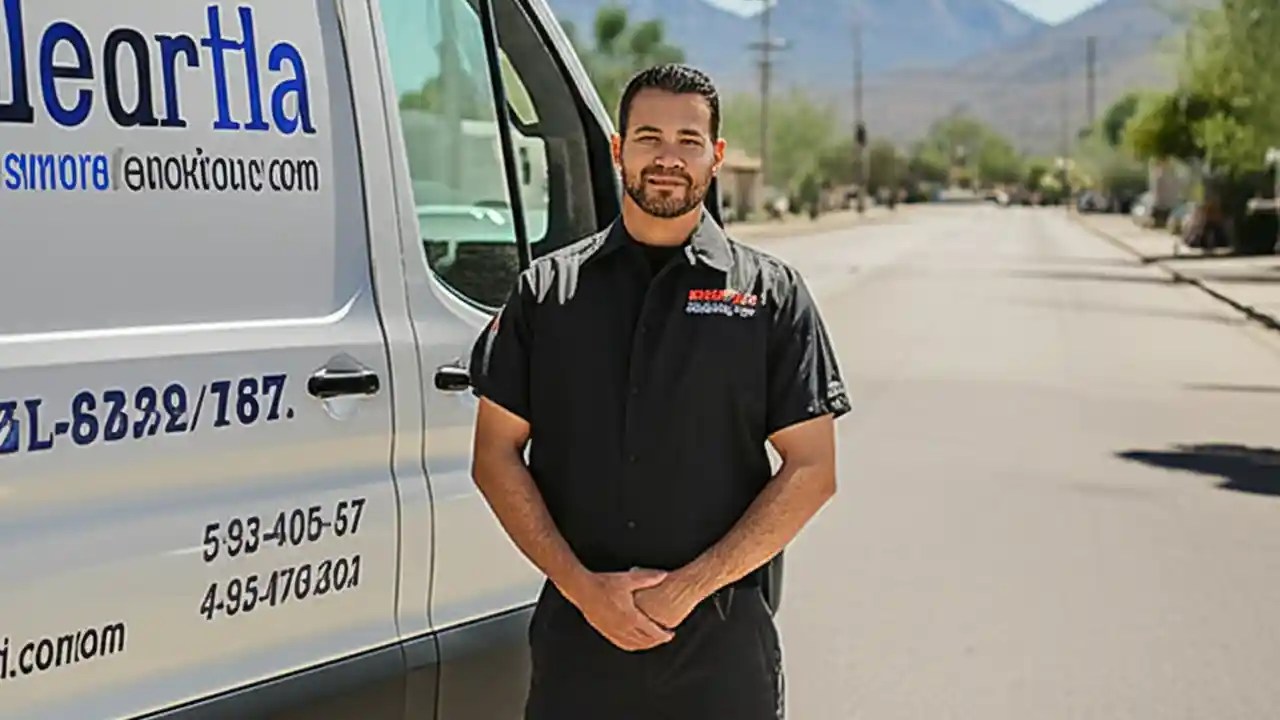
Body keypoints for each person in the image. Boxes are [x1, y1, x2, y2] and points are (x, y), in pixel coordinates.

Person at [468, 63, 851, 720]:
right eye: (648, 138)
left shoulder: (769, 296)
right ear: (618, 150)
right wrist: (585, 591)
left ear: (716, 156)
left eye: (688, 140)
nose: (667, 158)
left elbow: (813, 469)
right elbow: (494, 456)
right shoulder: (548, 294)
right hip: (577, 647)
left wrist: (689, 589)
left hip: (721, 649)